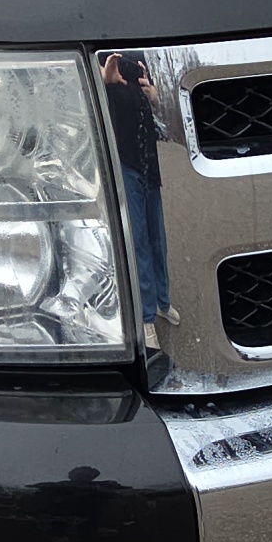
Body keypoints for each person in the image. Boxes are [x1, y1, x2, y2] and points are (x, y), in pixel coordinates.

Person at [101, 52, 175, 340]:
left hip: (150, 163)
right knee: (139, 239)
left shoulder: (138, 53)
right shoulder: (104, 54)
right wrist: (105, 80)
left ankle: (163, 303)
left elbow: (156, 100)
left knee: (158, 238)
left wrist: (153, 94)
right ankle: (146, 317)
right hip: (126, 162)